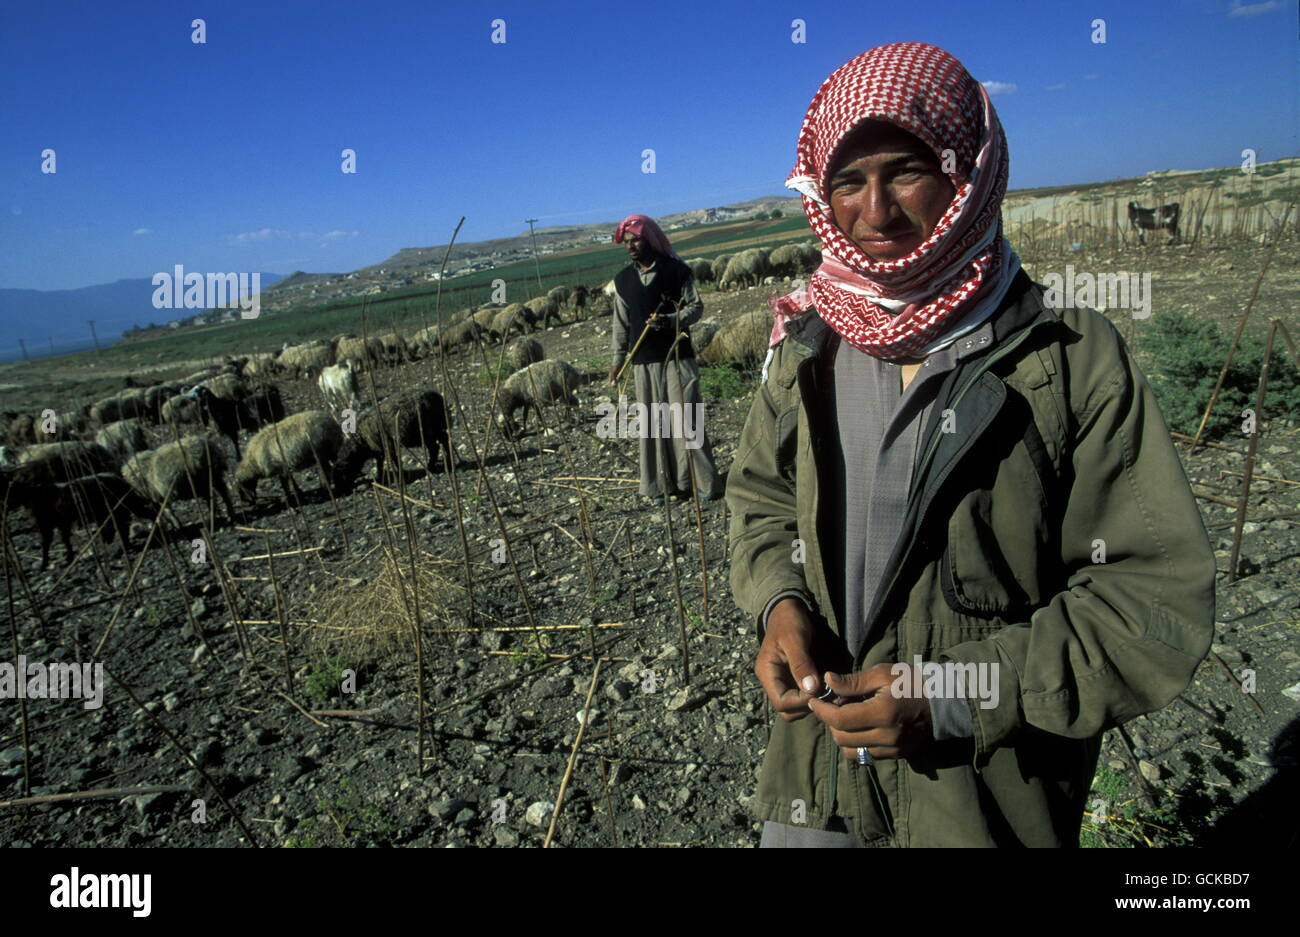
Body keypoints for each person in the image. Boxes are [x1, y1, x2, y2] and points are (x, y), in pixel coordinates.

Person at [726, 42, 1215, 847]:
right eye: (847, 180)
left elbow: (1150, 600)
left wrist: (951, 694)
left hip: (978, 806)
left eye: (907, 170)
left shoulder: (1066, 361)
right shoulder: (811, 346)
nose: (874, 210)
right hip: (815, 791)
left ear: (970, 173)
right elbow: (761, 498)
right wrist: (781, 601)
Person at [609, 214, 724, 504]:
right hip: (643, 361)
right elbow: (620, 324)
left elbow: (695, 308)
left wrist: (671, 320)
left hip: (676, 356)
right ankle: (660, 485)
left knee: (687, 418)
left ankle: (703, 482)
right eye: (627, 242)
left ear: (649, 240)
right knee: (651, 424)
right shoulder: (623, 281)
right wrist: (617, 360)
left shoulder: (676, 271)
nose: (631, 246)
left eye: (636, 239)